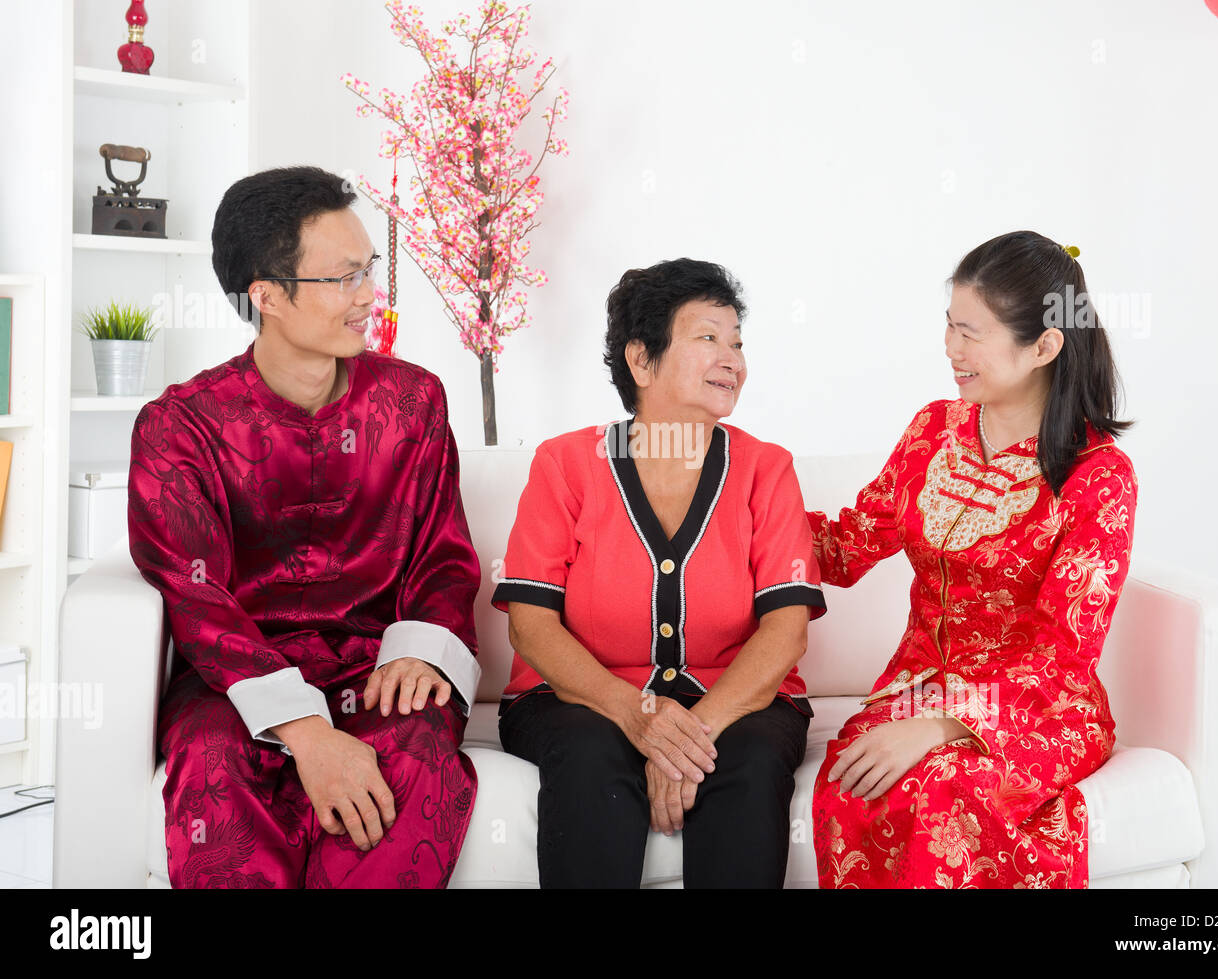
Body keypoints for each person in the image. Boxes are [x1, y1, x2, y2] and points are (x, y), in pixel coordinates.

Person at [128, 165, 481, 888]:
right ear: (267, 295)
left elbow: (443, 555)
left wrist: (423, 652)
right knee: (214, 767)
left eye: (370, 269)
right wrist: (305, 729)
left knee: (419, 757)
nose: (368, 295)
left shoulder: (414, 402)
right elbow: (198, 607)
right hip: (235, 679)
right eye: (344, 277)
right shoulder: (181, 428)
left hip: (376, 668)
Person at [808, 231, 1138, 888]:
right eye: (949, 326)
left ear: (1045, 345)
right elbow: (847, 546)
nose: (951, 349)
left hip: (1039, 710)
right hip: (913, 689)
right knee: (853, 782)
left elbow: (1062, 652)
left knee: (948, 790)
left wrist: (943, 726)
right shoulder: (933, 429)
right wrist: (739, 500)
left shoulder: (1097, 476)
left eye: (972, 332)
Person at [492, 258, 827, 888]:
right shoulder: (565, 463)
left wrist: (686, 738)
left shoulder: (766, 468)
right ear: (641, 361)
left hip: (737, 701)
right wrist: (635, 713)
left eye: (737, 342)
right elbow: (531, 626)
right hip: (578, 699)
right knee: (591, 752)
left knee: (751, 757)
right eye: (708, 338)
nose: (732, 358)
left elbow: (786, 633)